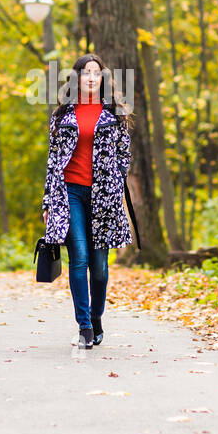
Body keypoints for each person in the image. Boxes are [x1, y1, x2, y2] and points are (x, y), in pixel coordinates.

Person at [40, 54, 134, 349]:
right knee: (78, 257)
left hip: (103, 196)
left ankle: (96, 318)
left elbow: (124, 154)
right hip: (70, 192)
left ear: (102, 78)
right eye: (86, 72)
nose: (91, 77)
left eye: (96, 72)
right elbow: (53, 160)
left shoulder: (114, 113)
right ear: (76, 78)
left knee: (100, 266)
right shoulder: (62, 116)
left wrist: (116, 182)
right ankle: (83, 327)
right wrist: (47, 202)